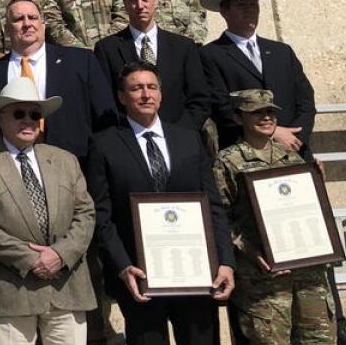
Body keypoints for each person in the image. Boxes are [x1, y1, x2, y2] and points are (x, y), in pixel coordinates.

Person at [86, 62, 236, 344]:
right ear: (121, 97)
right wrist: (122, 266)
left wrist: (225, 261)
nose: (145, 94)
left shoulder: (189, 138)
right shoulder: (104, 144)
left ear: (161, 94)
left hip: (195, 272)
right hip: (139, 278)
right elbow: (102, 215)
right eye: (136, 88)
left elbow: (213, 205)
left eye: (151, 87)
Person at [0, 77, 96, 345]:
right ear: (0, 118)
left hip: (66, 285)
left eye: (34, 114)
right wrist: (32, 260)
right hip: (11, 289)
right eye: (19, 113)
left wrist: (60, 255)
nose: (28, 120)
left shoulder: (65, 160)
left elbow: (86, 214)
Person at [213, 89, 336, 345]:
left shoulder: (293, 159)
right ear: (239, 117)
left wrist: (317, 184)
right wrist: (248, 249)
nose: (266, 117)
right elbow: (220, 218)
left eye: (270, 111)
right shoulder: (227, 162)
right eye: (257, 112)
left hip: (308, 275)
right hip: (264, 279)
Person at [0, 0, 118, 164]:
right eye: (18, 19)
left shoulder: (81, 62)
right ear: (7, 29)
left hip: (77, 168)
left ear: (43, 24)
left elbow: (107, 122)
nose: (27, 23)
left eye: (33, 17)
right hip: (11, 172)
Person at [199, 0, 316, 157]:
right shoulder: (210, 55)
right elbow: (220, 107)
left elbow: (305, 99)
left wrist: (295, 137)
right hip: (245, 155)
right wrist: (273, 132)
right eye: (242, 5)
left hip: (293, 151)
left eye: (253, 4)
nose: (250, 10)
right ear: (225, 11)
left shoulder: (281, 52)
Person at [94, 0, 211, 132]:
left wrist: (180, 134)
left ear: (155, 1)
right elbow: (104, 101)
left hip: (179, 138)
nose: (140, 5)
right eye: (133, 0)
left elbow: (199, 99)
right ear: (124, 4)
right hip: (129, 140)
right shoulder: (107, 48)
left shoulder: (183, 47)